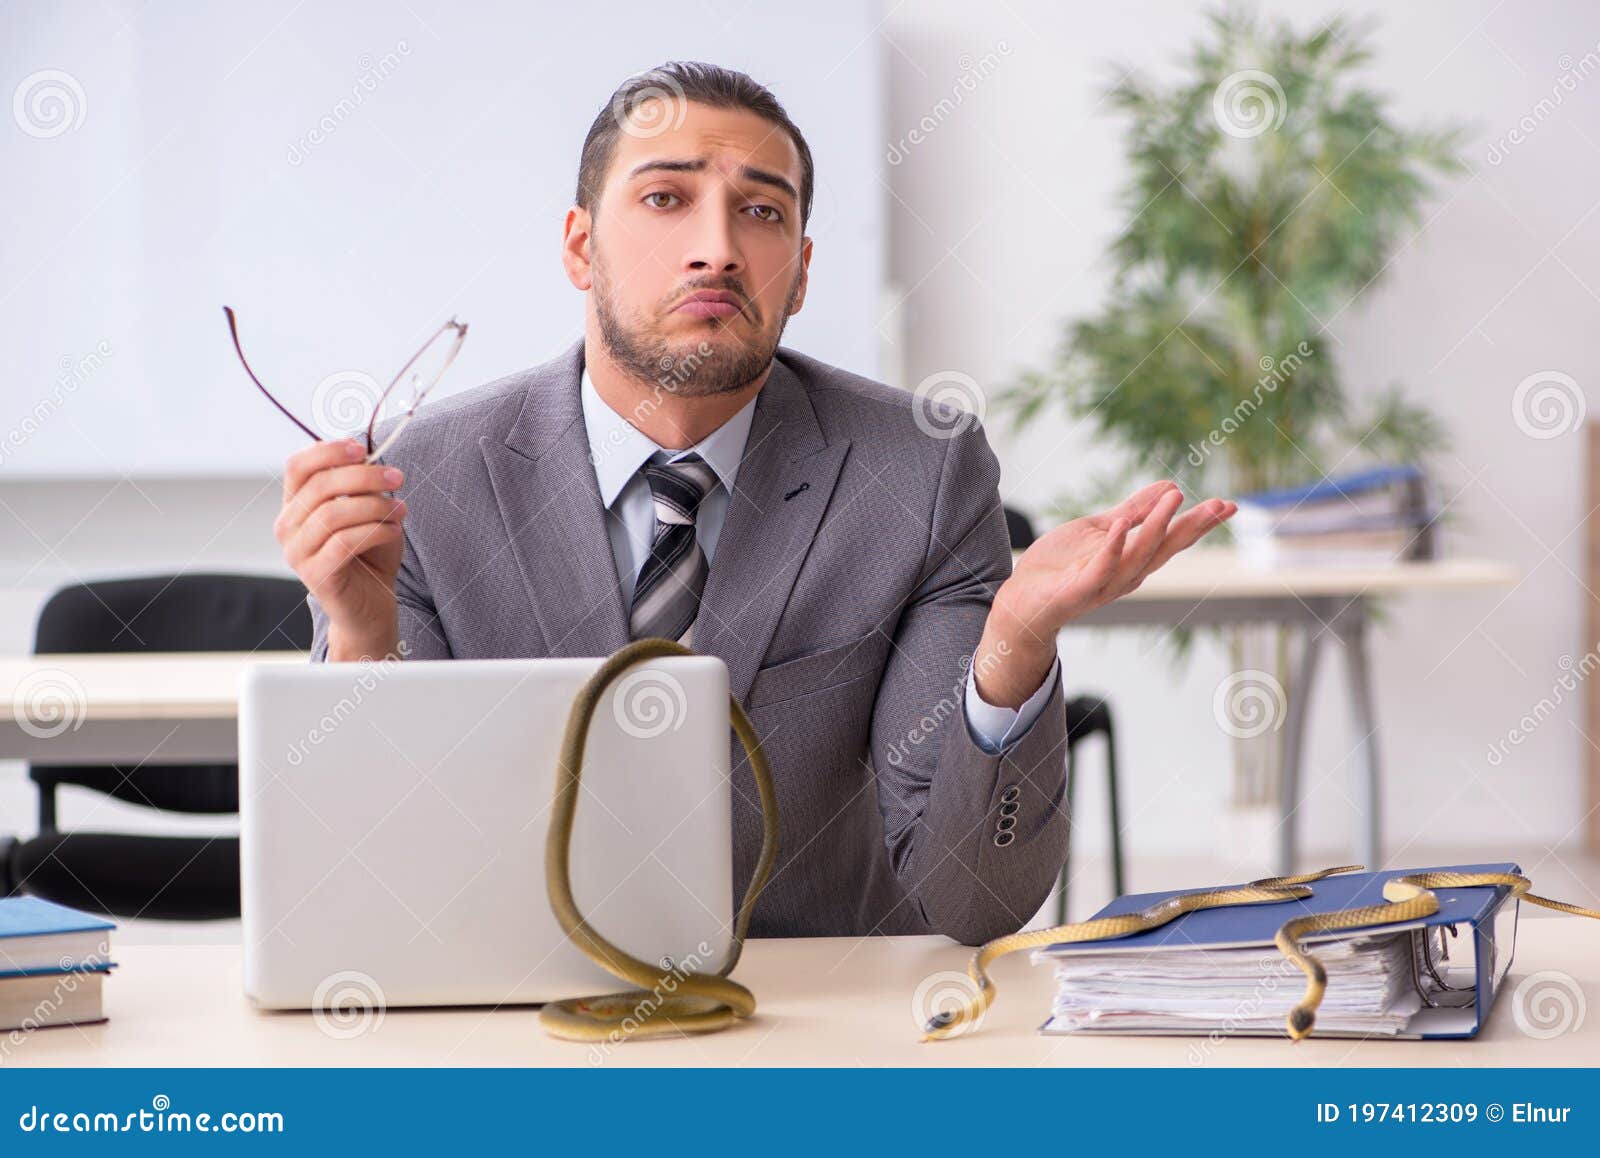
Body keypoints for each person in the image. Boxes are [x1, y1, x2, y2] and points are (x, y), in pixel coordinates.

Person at [273, 61, 1235, 944]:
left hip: (818, 1030)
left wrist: (1015, 642)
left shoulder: (918, 472)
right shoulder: (423, 478)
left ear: (803, 272)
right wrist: (360, 642)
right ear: (580, 248)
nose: (717, 249)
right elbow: (377, 891)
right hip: (516, 1018)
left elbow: (973, 898)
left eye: (762, 214)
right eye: (665, 198)